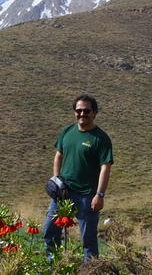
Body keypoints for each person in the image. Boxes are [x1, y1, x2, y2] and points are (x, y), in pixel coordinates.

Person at [43, 94, 113, 262]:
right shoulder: (67, 131)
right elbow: (58, 156)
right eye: (78, 110)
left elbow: (106, 167)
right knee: (49, 231)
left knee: (88, 240)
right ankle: (55, 269)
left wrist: (100, 195)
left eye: (86, 111)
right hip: (62, 194)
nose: (82, 114)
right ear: (75, 112)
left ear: (94, 113)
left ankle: (89, 272)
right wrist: (56, 179)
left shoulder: (100, 138)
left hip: (87, 197)